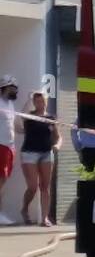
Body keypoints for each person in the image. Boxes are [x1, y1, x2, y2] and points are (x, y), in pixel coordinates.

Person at [17, 92, 61, 227]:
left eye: (42, 101)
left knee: (45, 186)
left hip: (46, 153)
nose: (39, 103)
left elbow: (58, 136)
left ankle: (44, 218)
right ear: (34, 102)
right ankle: (24, 209)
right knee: (32, 186)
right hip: (29, 153)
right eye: (36, 101)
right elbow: (19, 119)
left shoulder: (50, 118)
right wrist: (28, 99)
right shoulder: (29, 116)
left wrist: (57, 145)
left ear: (46, 102)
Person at [0, 76, 16, 226]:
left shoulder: (10, 104)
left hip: (10, 147)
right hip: (1, 145)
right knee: (1, 180)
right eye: (12, 87)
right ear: (4, 87)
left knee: (3, 180)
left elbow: (13, 124)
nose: (15, 90)